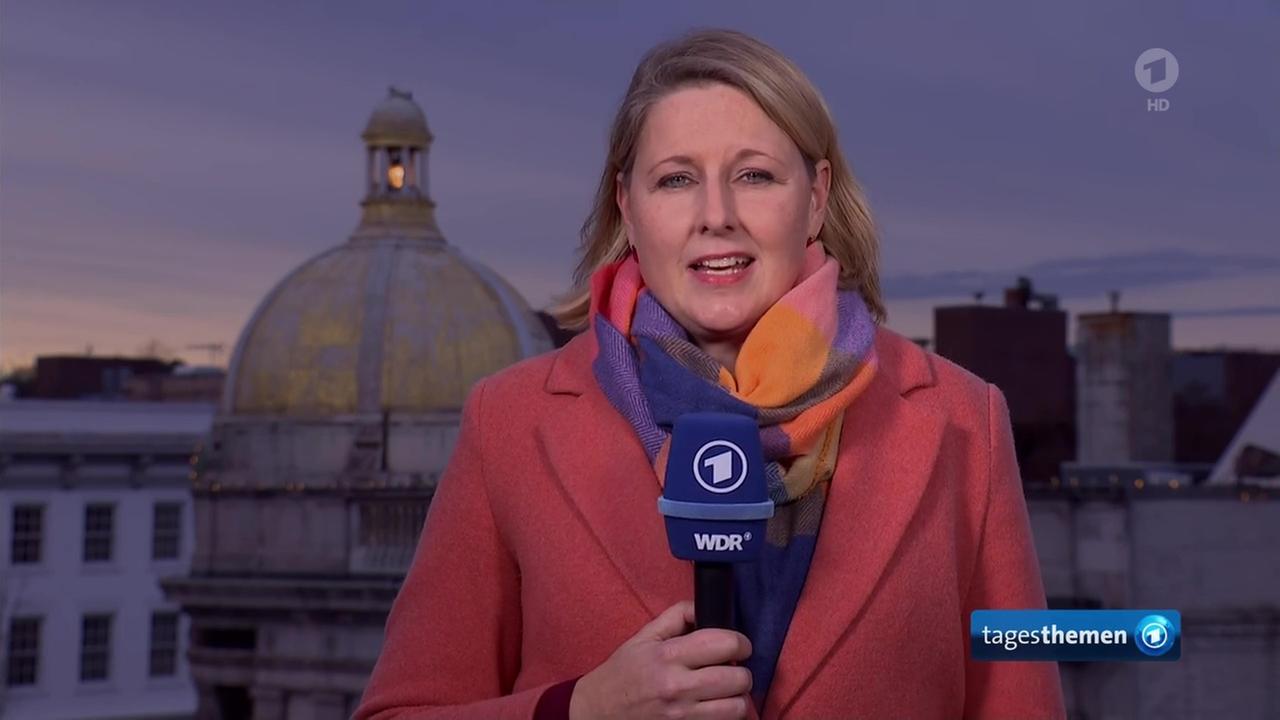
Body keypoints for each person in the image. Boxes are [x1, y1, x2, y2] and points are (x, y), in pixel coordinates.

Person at [354, 28, 1066, 720]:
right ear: (627, 207)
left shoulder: (965, 421)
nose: (716, 216)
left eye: (754, 175)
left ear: (815, 199)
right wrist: (581, 709)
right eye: (676, 180)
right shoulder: (510, 423)